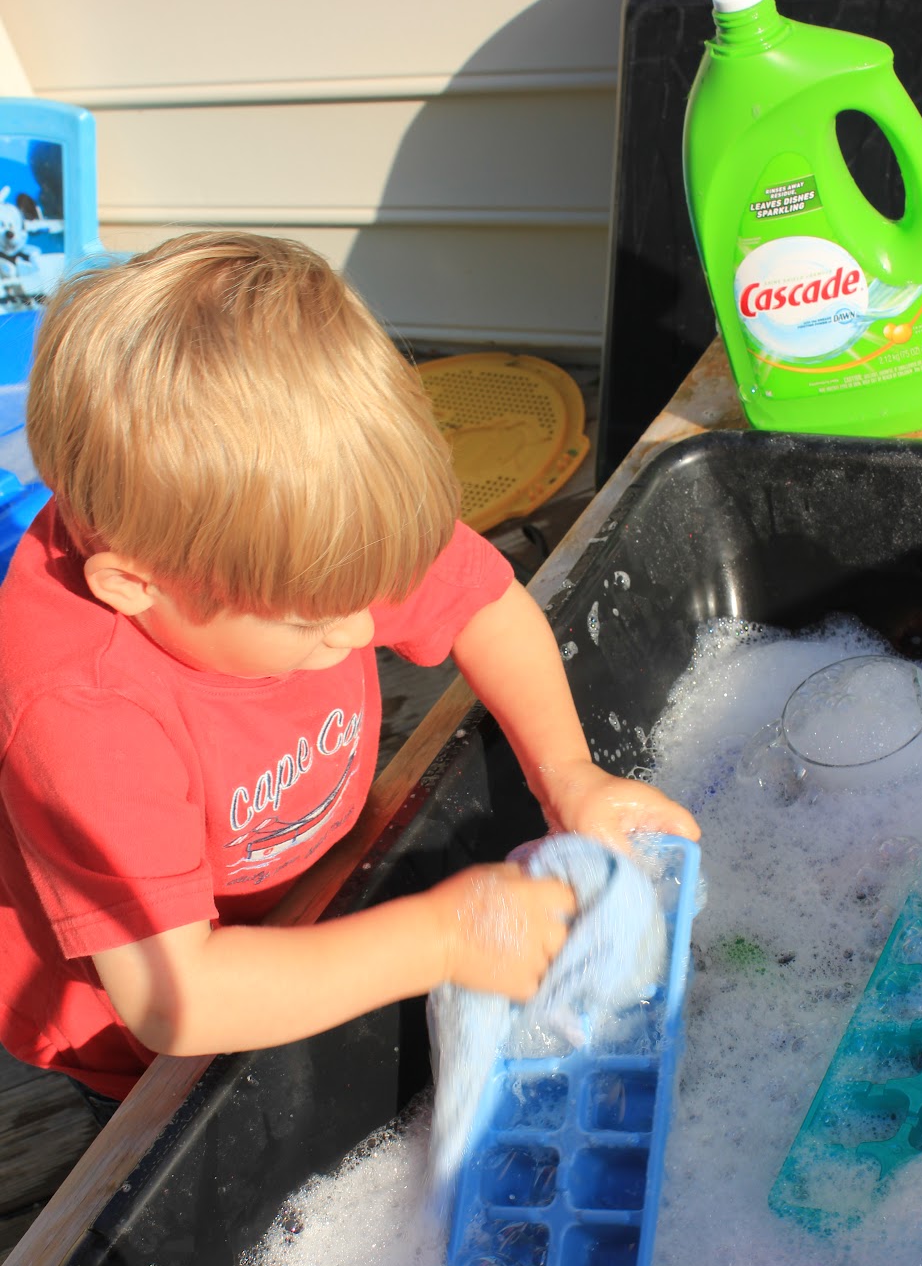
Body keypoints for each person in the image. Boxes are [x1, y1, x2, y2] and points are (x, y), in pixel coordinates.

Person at [0, 230, 698, 1124]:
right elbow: (175, 1000)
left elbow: (486, 606)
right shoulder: (85, 717)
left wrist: (568, 776)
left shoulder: (316, 529)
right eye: (313, 621)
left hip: (309, 881)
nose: (364, 630)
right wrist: (442, 937)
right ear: (135, 585)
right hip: (141, 1024)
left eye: (371, 595)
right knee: (186, 1131)